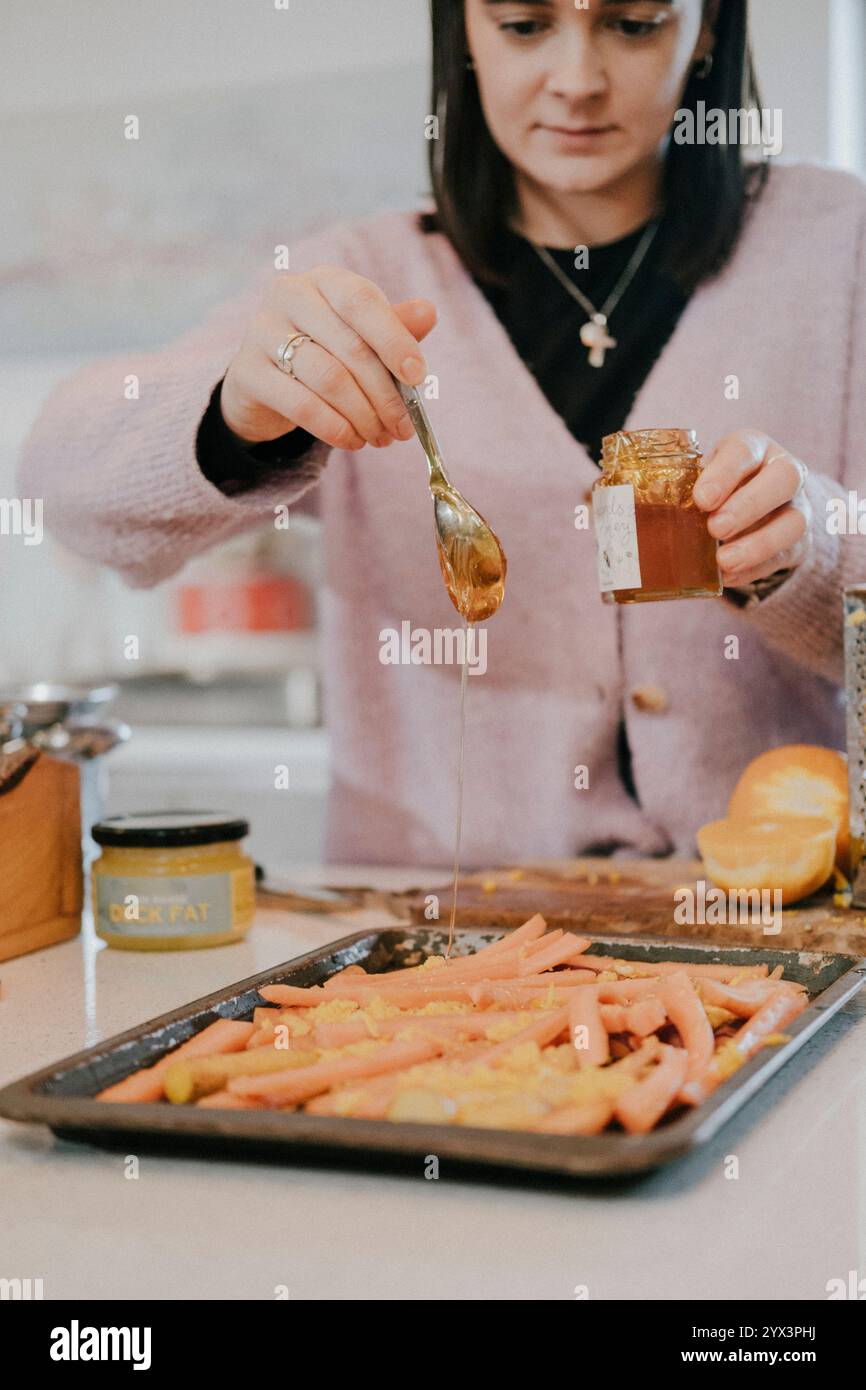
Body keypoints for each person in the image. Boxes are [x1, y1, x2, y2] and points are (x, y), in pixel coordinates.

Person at [19, 0, 866, 867]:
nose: (578, 81)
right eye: (524, 26)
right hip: (436, 922)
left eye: (634, 23)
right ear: (462, 30)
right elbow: (63, 488)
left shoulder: (837, 249)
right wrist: (234, 414)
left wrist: (818, 549)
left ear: (709, 25)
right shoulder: (364, 279)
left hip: (779, 914)